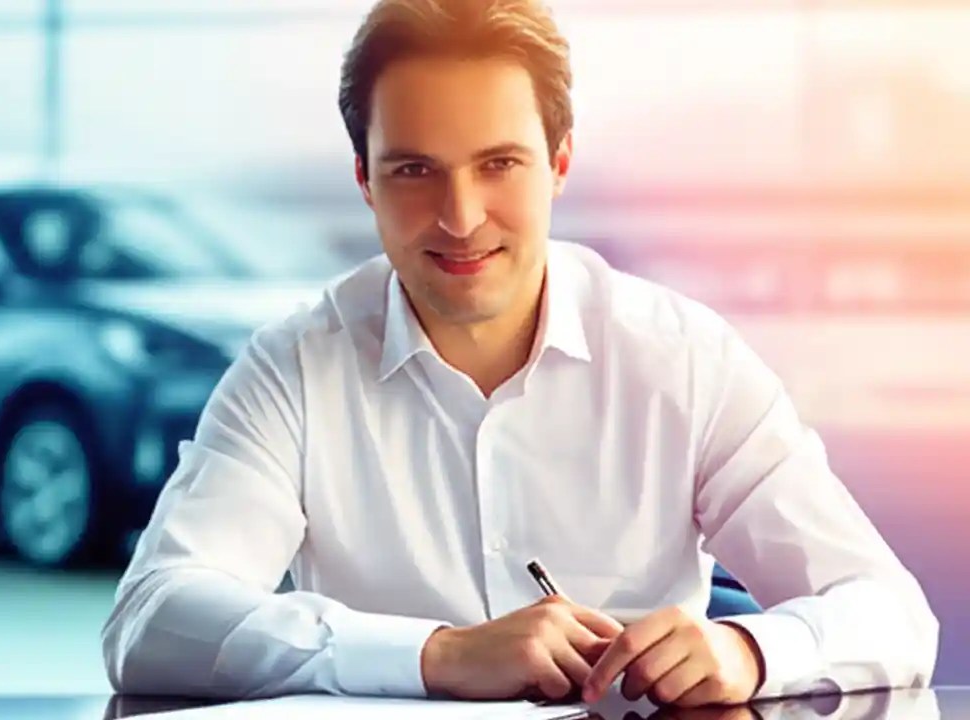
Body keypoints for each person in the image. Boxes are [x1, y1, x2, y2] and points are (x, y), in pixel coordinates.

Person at [102, 0, 937, 707]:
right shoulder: (294, 367)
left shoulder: (683, 358)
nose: (460, 217)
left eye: (498, 164)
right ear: (364, 179)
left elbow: (892, 614)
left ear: (559, 163)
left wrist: (749, 654)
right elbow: (150, 618)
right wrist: (436, 656)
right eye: (414, 170)